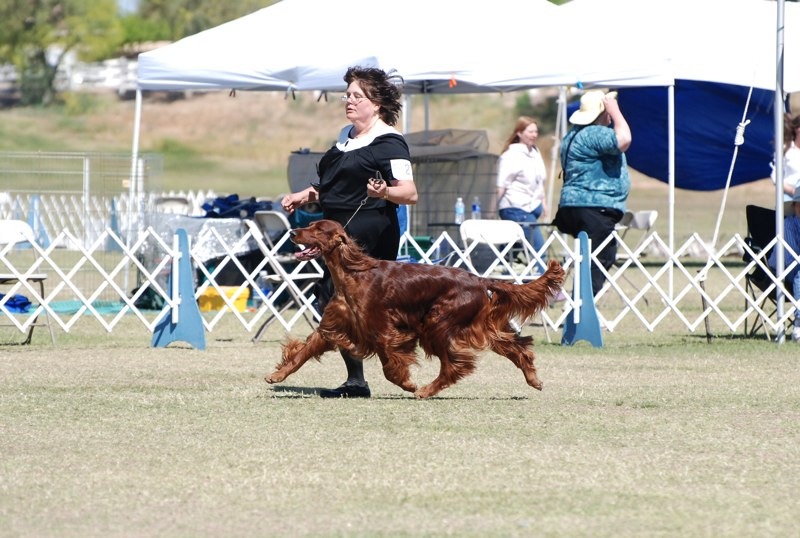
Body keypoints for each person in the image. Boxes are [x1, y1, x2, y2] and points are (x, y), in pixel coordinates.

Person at [281, 66, 418, 398]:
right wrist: (306, 193)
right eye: (348, 95)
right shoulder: (345, 136)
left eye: (357, 96)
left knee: (358, 307)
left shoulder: (389, 142)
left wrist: (382, 193)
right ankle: (356, 380)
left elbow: (410, 193)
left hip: (369, 237)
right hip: (333, 238)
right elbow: (334, 186)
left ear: (377, 103)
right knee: (335, 302)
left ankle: (394, 362)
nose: (349, 101)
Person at [552, 89, 632, 296]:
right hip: (594, 209)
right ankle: (582, 308)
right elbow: (624, 139)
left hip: (571, 207)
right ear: (602, 112)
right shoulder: (594, 133)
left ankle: (576, 304)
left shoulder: (571, 135)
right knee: (600, 258)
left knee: (587, 257)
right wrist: (616, 112)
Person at [496, 116, 548, 272]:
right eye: (530, 131)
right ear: (519, 133)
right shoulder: (510, 156)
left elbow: (540, 180)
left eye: (536, 131)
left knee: (511, 251)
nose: (534, 135)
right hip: (516, 208)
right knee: (538, 251)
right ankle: (546, 288)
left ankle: (501, 278)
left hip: (533, 207)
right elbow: (501, 185)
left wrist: (543, 202)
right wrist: (491, 209)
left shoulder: (535, 152)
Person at [769, 189, 800, 343]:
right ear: (794, 206)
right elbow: (790, 260)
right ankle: (799, 325)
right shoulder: (788, 224)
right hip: (781, 271)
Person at [770, 113, 800, 212]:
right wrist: (793, 191)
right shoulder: (785, 149)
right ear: (797, 129)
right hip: (788, 198)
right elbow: (775, 177)